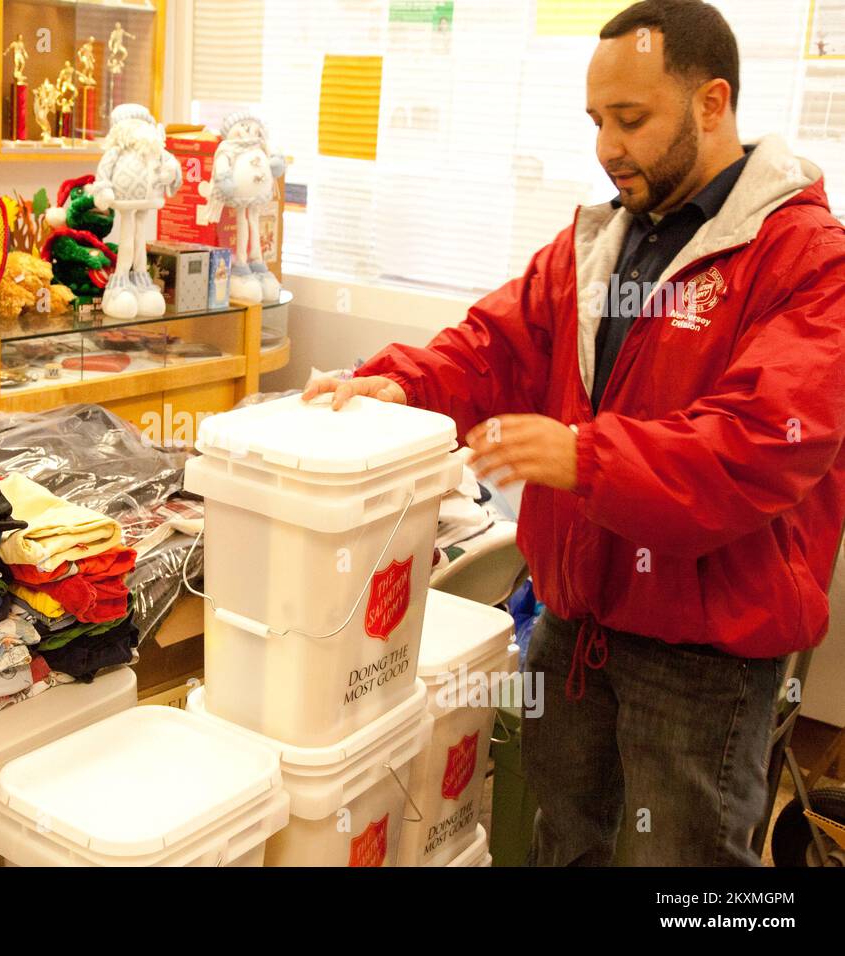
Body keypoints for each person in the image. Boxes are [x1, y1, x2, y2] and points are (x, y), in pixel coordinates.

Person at [304, 0, 845, 866]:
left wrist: (583, 457)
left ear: (712, 104)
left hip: (703, 656)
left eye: (631, 120)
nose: (607, 146)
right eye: (597, 121)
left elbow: (760, 444)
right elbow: (492, 347)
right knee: (565, 843)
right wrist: (396, 384)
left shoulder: (806, 259)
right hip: (576, 624)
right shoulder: (599, 242)